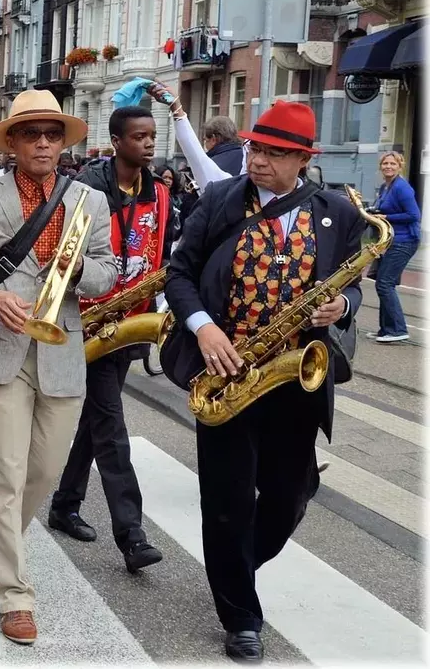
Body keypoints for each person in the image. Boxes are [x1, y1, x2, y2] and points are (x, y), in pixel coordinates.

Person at [165, 100, 364, 662]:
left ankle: (234, 565)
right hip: (227, 373)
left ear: (302, 158)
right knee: (226, 499)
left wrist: (341, 306)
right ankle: (240, 614)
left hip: (296, 377)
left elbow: (355, 289)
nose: (259, 161)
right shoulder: (220, 200)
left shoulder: (336, 212)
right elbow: (178, 273)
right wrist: (203, 329)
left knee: (288, 496)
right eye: (256, 148)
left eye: (275, 153)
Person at [0, 89, 117, 644]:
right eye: (31, 134)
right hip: (1, 350)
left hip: (62, 349)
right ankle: (15, 593)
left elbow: (106, 273)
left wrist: (72, 273)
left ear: (62, 141)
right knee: (5, 474)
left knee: (42, 473)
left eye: (52, 134)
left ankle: (2, 546)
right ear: (13, 142)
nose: (43, 142)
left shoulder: (90, 201)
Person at [48, 106, 169, 573]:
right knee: (112, 429)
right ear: (116, 141)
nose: (148, 143)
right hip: (89, 319)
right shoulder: (86, 192)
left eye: (152, 135)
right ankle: (131, 535)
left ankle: (64, 504)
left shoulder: (159, 192)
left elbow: (161, 249)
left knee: (97, 421)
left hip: (129, 320)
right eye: (139, 136)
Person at [368, 151, 420, 343]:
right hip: (390, 241)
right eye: (385, 163)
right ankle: (385, 330)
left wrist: (387, 218)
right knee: (382, 282)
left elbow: (414, 215)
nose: (388, 166)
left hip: (405, 241)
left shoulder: (402, 188)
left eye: (392, 164)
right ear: (381, 166)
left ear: (400, 166)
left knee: (385, 283)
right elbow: (381, 208)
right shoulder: (385, 187)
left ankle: (398, 330)